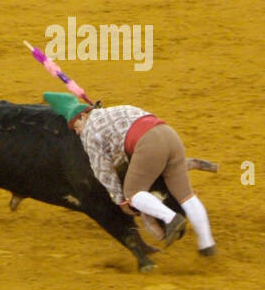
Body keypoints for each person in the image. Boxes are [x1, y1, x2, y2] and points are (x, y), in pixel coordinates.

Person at [43, 91, 216, 257]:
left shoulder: (88, 133)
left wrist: (120, 199)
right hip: (170, 136)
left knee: (133, 194)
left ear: (83, 116)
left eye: (75, 126)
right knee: (186, 197)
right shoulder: (117, 109)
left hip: (147, 144)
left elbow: (103, 170)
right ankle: (207, 245)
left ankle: (171, 219)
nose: (77, 131)